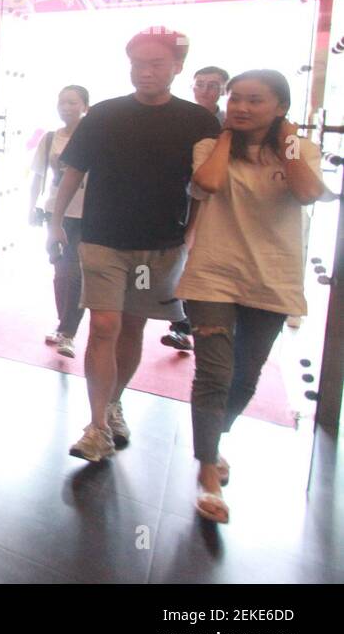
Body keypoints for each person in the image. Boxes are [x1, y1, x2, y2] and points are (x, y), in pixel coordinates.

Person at [49, 27, 220, 463]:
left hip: (160, 243)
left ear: (177, 68)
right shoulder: (104, 114)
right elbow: (73, 171)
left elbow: (204, 186)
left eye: (156, 64)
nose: (145, 72)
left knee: (133, 326)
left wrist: (192, 233)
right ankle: (96, 426)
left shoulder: (199, 121)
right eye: (138, 64)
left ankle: (113, 403)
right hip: (102, 236)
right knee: (104, 324)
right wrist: (54, 221)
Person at [177, 70, 324, 522]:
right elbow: (210, 184)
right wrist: (225, 134)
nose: (241, 107)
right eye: (235, 99)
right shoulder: (210, 148)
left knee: (246, 375)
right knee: (215, 374)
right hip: (213, 274)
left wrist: (290, 140)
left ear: (279, 106)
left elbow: (306, 191)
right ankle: (207, 472)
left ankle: (213, 437)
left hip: (272, 278)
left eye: (255, 100)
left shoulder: (300, 149)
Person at [162, 65, 233, 352]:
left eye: (213, 85)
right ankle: (181, 324)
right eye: (200, 84)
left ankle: (196, 328)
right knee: (181, 260)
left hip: (217, 203)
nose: (205, 90)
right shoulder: (179, 118)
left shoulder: (229, 124)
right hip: (181, 198)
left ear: (223, 90)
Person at [28, 85, 89, 357]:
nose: (66, 107)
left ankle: (68, 333)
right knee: (61, 272)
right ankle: (63, 324)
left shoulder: (94, 138)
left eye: (72, 102)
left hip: (87, 214)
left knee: (75, 273)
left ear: (85, 106)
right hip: (56, 212)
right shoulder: (51, 138)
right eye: (62, 102)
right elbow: (38, 176)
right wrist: (31, 207)